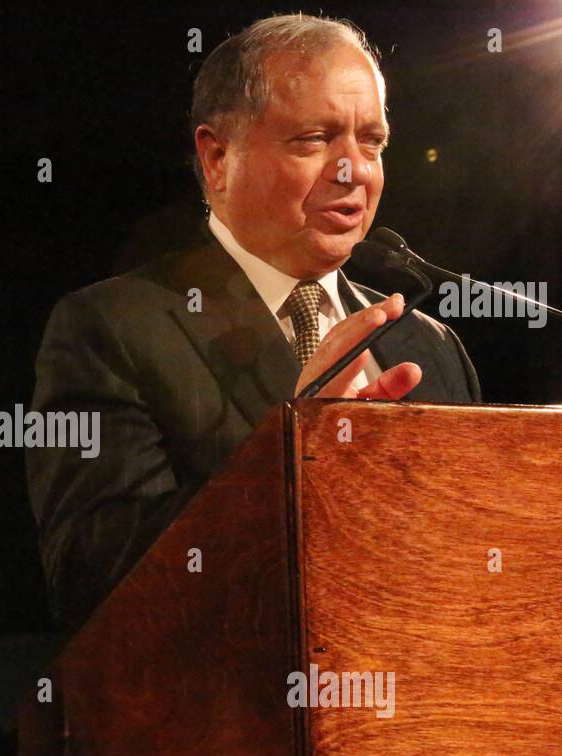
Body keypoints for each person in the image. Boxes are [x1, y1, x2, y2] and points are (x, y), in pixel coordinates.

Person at [26, 14, 481, 635]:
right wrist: (289, 455)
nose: (355, 172)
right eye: (314, 139)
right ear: (217, 157)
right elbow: (93, 582)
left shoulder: (428, 344)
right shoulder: (111, 329)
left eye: (371, 142)